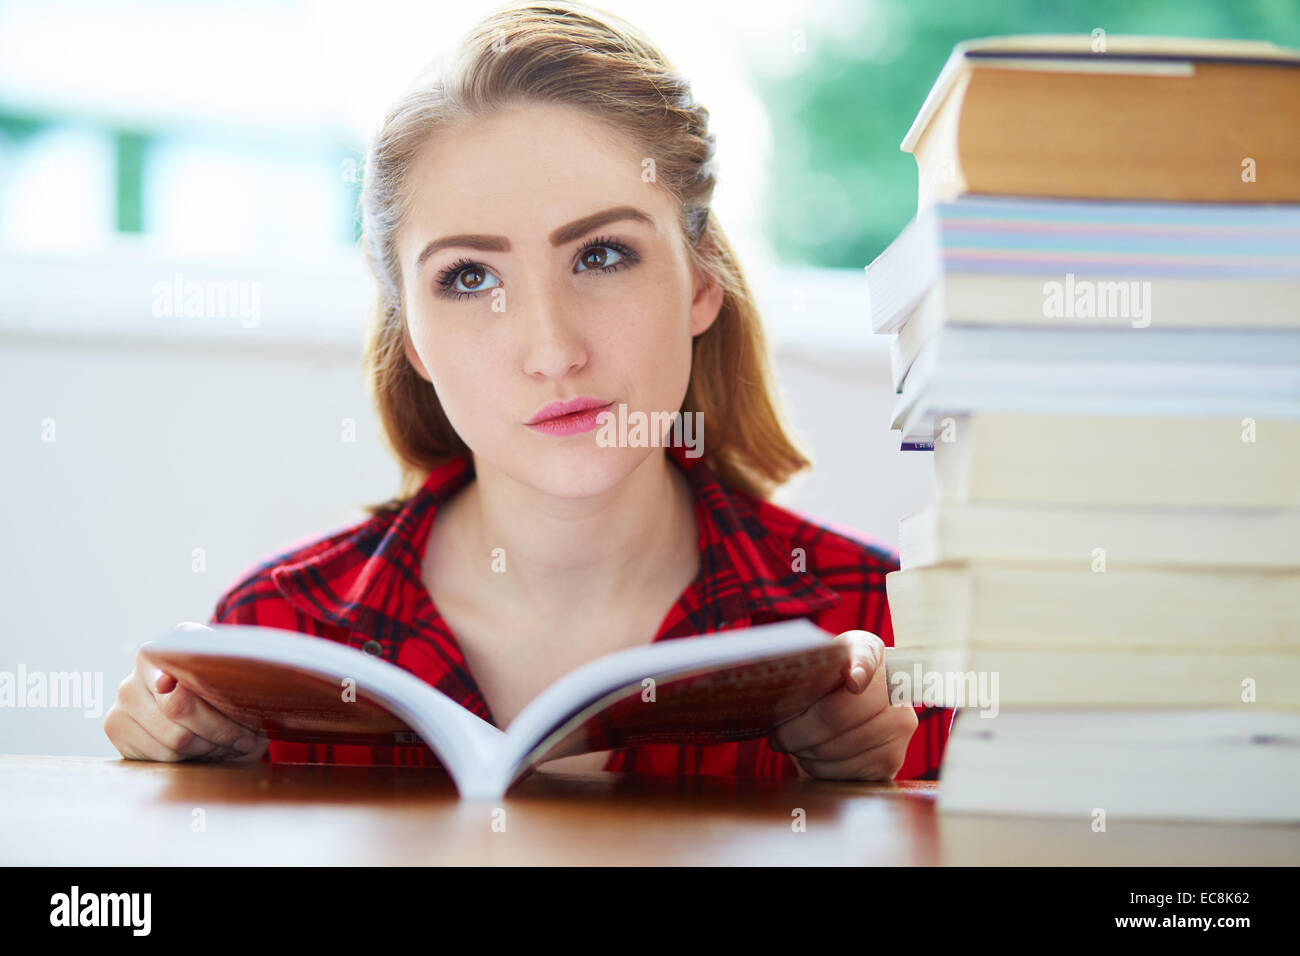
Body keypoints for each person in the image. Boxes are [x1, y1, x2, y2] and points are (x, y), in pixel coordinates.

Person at [104, 0, 953, 781]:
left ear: (700, 284)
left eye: (601, 255)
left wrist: (877, 810)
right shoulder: (270, 637)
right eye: (470, 278)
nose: (552, 352)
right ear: (413, 339)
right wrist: (174, 791)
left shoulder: (894, 635)